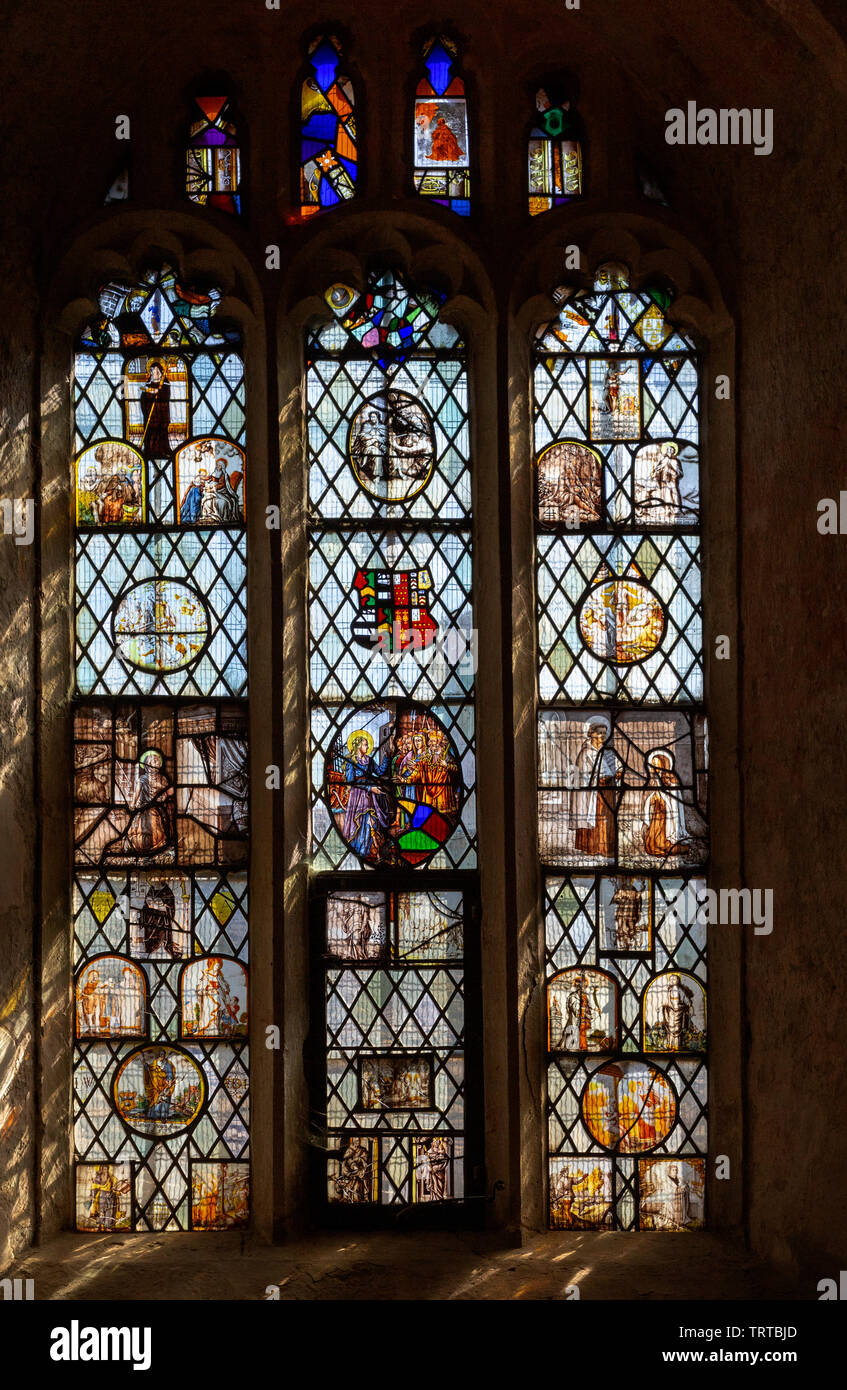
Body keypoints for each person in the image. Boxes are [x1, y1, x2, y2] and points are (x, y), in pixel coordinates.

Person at [569, 718, 620, 856]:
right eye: (600, 733)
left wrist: (618, 773)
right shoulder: (585, 753)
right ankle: (592, 847)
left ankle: (605, 848)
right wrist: (598, 779)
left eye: (605, 733)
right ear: (591, 734)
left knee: (605, 818)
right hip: (592, 793)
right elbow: (582, 776)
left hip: (606, 790)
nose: (603, 736)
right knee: (595, 818)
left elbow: (614, 767)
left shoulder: (607, 751)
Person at [340, 730, 393, 863]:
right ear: (358, 746)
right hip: (358, 796)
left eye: (367, 745)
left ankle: (372, 852)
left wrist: (387, 756)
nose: (367, 747)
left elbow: (380, 771)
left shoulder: (369, 760)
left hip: (370, 796)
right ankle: (361, 851)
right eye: (365, 745)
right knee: (362, 821)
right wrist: (369, 788)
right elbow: (351, 781)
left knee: (371, 822)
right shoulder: (351, 761)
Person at [139, 359, 171, 457]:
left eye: (157, 371)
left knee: (161, 431)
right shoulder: (148, 385)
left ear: (161, 372)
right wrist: (150, 392)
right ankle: (149, 450)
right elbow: (143, 396)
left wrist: (157, 392)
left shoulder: (165, 384)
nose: (155, 373)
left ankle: (162, 450)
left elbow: (165, 396)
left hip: (161, 413)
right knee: (150, 431)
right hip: (150, 413)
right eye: (153, 371)